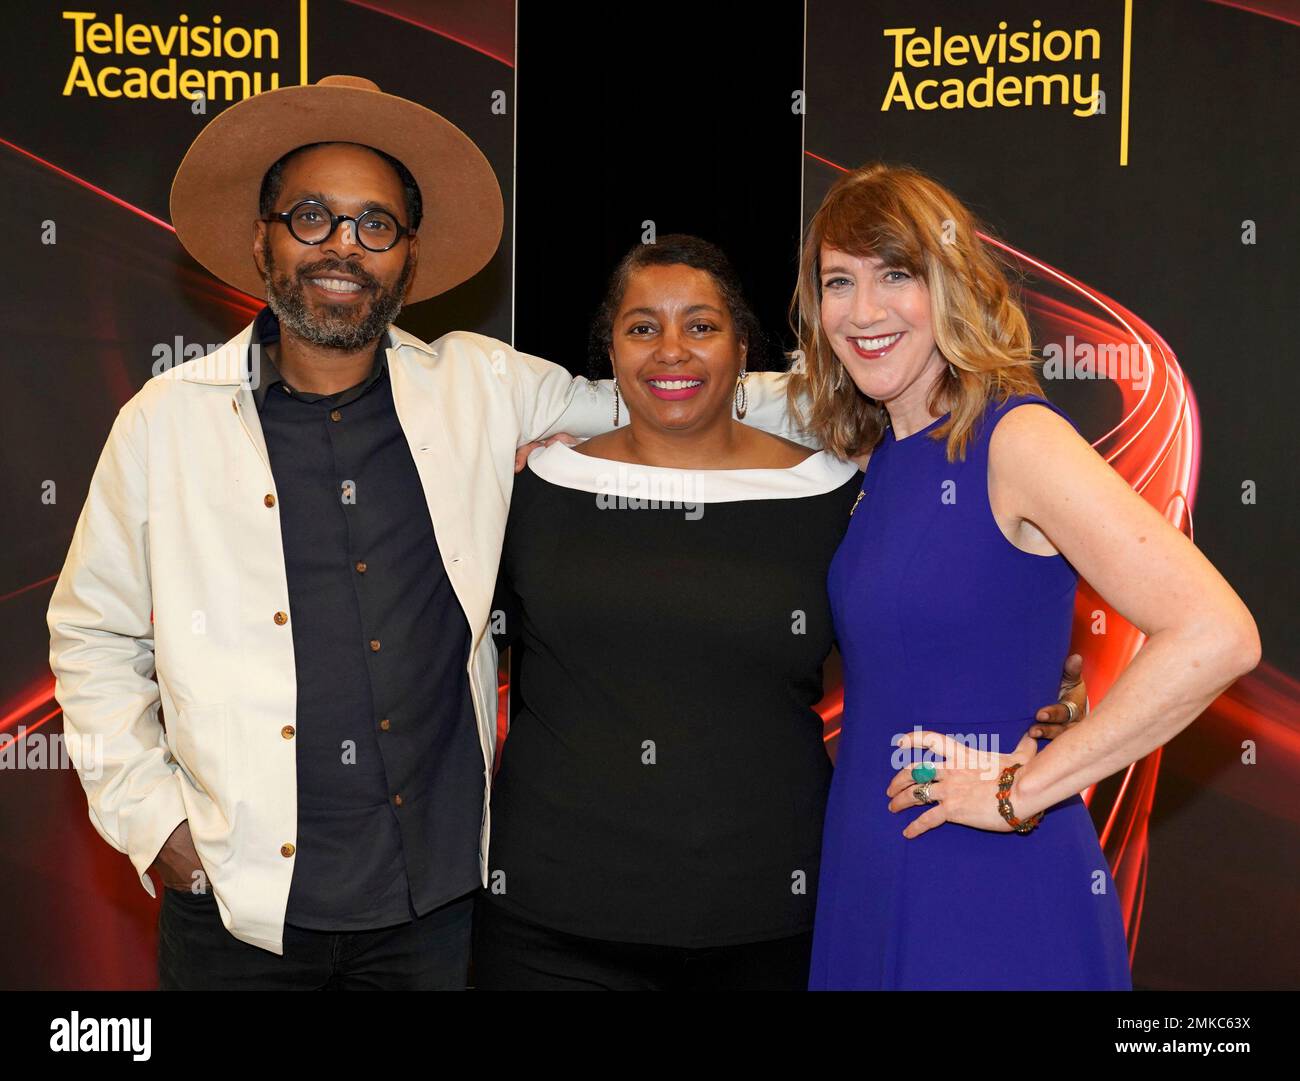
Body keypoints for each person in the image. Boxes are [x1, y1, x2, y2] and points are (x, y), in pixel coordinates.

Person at [45, 77, 800, 990]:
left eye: (374, 226)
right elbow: (91, 638)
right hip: (237, 914)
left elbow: (660, 393)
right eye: (311, 217)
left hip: (439, 915)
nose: (341, 248)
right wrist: (158, 829)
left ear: (406, 259)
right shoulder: (164, 422)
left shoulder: (481, 387)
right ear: (262, 238)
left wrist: (875, 389)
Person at [471, 235, 1086, 990]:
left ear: (742, 347)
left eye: (700, 326)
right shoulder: (531, 486)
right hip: (551, 924)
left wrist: (1046, 697)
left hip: (775, 918)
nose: (672, 351)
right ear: (610, 349)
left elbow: (931, 622)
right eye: (642, 328)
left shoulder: (837, 494)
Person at [795, 163, 1261, 990]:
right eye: (839, 281)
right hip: (873, 870)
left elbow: (1217, 632)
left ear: (952, 287)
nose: (862, 312)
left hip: (987, 886)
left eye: (896, 275)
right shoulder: (881, 457)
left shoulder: (1017, 438)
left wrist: (1023, 789)